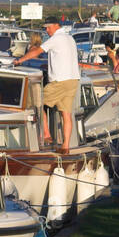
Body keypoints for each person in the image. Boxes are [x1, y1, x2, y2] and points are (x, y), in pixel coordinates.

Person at [14, 22, 79, 153]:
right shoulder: (70, 38)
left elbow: (38, 51)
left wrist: (19, 61)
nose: (47, 31)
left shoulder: (55, 38)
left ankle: (46, 134)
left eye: (48, 27)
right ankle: (65, 146)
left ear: (56, 25)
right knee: (66, 114)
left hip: (60, 82)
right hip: (73, 80)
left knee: (35, 104)